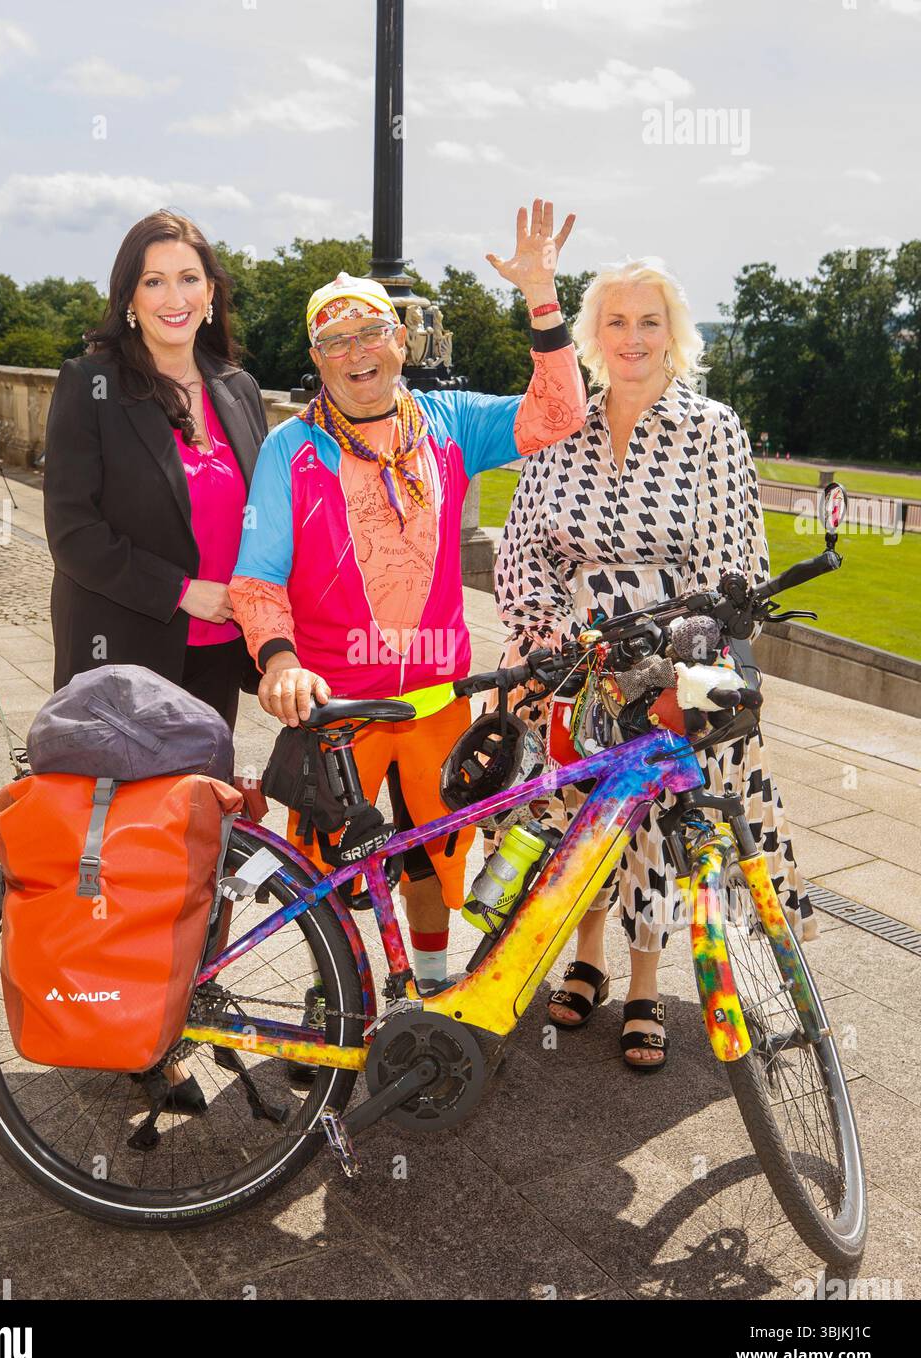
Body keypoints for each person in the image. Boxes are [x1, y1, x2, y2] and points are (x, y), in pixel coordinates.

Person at [230, 200, 588, 987]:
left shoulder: (450, 421)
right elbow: (255, 581)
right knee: (330, 875)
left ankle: (429, 994)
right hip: (337, 706)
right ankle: (340, 1004)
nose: (356, 352)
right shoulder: (291, 449)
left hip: (437, 699)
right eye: (335, 341)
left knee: (434, 862)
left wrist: (540, 296)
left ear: (399, 341)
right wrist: (280, 661)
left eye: (370, 333)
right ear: (318, 361)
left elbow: (561, 412)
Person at [495, 256, 815, 1071]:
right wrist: (540, 638)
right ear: (593, 337)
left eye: (649, 321)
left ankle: (644, 984)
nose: (633, 338)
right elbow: (523, 544)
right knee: (570, 813)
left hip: (677, 651)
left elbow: (732, 558)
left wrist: (685, 657)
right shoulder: (562, 423)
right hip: (570, 653)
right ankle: (587, 959)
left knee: (657, 823)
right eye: (615, 322)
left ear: (673, 333)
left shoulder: (713, 428)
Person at [43, 209, 267, 729]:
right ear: (129, 299)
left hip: (220, 647)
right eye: (154, 281)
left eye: (189, 279)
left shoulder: (239, 388)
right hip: (122, 654)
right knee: (127, 809)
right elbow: (74, 533)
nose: (175, 298)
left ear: (210, 293)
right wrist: (183, 592)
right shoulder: (90, 384)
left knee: (204, 802)